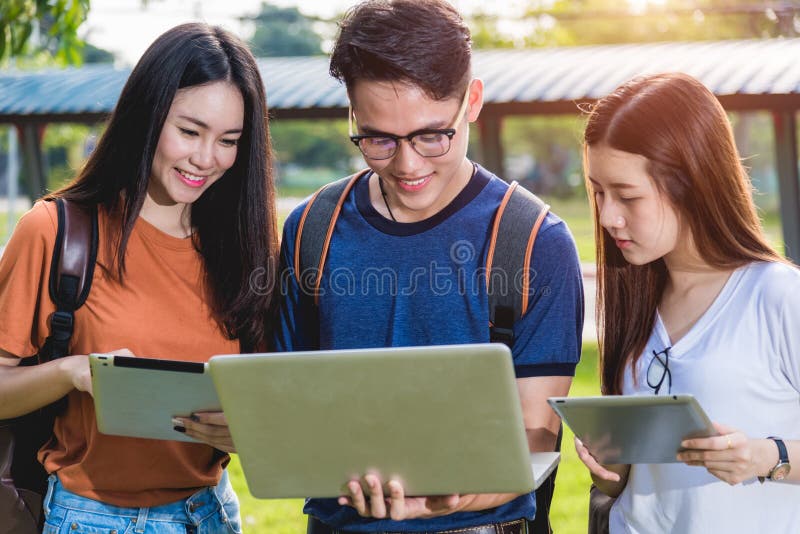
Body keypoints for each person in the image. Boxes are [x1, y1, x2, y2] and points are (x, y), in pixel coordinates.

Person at [271, 1, 584, 532]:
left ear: (473, 102)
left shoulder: (534, 241)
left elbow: (536, 435)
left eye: (432, 135)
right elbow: (282, 400)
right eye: (378, 139)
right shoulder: (311, 231)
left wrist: (451, 499)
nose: (408, 165)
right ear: (351, 113)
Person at [0, 22, 279, 533]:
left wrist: (252, 427)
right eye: (189, 132)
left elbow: (271, 391)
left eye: (229, 141)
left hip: (213, 510)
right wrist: (72, 372)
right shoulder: (54, 232)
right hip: (93, 517)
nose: (205, 158)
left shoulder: (249, 247)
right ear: (147, 117)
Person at [576, 72, 800, 533]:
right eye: (598, 192)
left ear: (691, 184)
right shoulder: (634, 297)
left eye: (627, 195)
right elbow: (634, 488)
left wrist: (765, 456)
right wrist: (612, 469)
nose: (607, 216)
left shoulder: (777, 295)